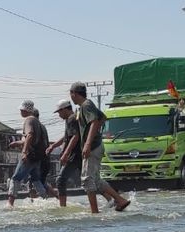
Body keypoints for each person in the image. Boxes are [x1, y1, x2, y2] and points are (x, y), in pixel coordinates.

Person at [71, 82, 130, 213]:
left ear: (74, 93)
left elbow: (95, 122)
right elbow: (102, 117)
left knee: (87, 180)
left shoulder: (86, 105)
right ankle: (120, 200)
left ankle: (94, 212)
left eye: (71, 94)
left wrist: (87, 143)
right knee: (96, 180)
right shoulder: (86, 105)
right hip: (96, 145)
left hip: (92, 147)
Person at [7, 100, 57, 207]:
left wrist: (24, 152)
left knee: (16, 178)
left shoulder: (29, 120)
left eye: (22, 109)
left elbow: (29, 135)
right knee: (36, 179)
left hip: (30, 155)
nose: (20, 111)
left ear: (26, 110)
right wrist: (17, 143)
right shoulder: (38, 123)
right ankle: (45, 200)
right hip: (38, 157)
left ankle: (10, 203)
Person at [47, 98, 81, 207]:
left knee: (60, 180)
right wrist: (53, 146)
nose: (59, 115)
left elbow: (75, 136)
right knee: (90, 180)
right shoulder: (69, 119)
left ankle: (62, 207)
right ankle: (112, 199)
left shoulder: (72, 118)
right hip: (76, 154)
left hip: (75, 155)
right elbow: (66, 137)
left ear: (65, 109)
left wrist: (66, 153)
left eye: (59, 112)